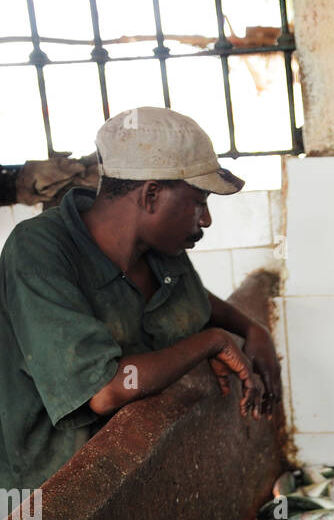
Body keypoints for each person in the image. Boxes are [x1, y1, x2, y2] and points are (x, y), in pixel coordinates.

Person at [0, 106, 281, 490]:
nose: (206, 220)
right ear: (151, 196)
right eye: (199, 202)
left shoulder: (159, 250)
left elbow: (192, 302)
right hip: (51, 491)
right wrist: (212, 341)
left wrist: (250, 328)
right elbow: (105, 390)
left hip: (127, 475)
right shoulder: (39, 250)